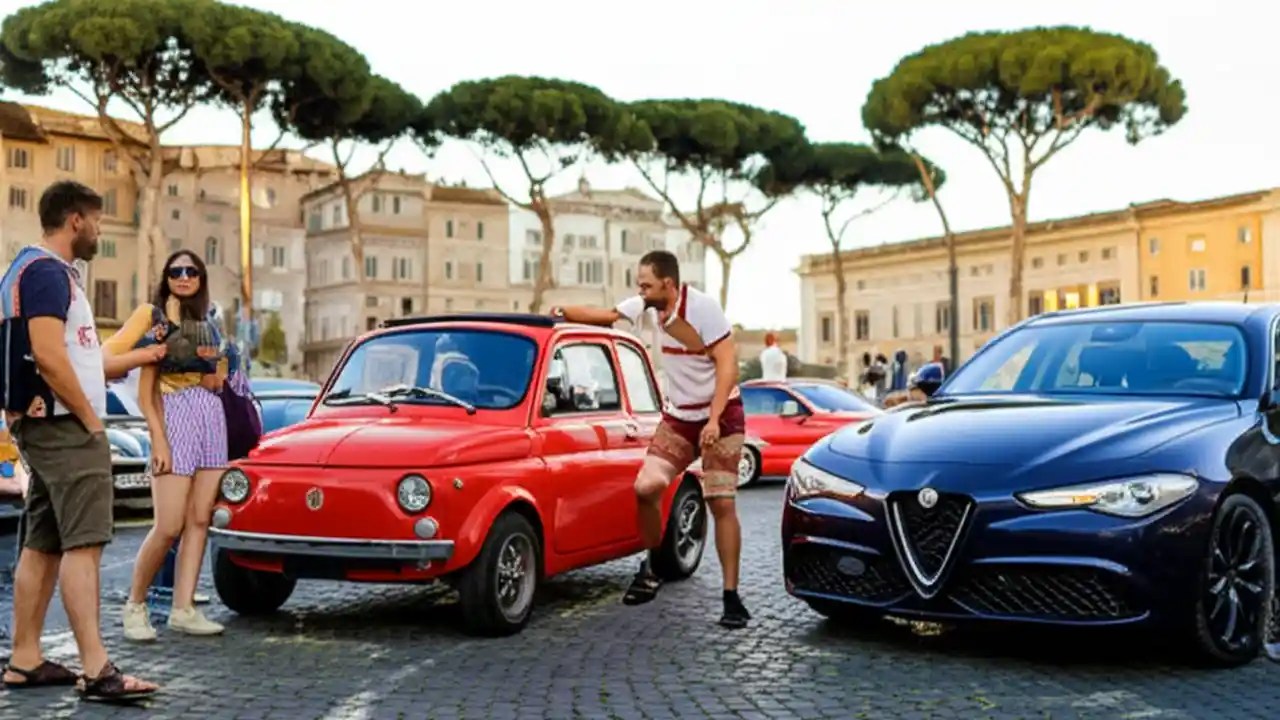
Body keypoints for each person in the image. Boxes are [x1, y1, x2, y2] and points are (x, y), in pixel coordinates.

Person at [0, 180, 158, 700]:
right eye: (96, 220)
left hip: (45, 425)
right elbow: (48, 354)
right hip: (65, 427)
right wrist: (92, 421)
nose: (99, 230)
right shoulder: (46, 274)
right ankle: (97, 670)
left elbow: (82, 358)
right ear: (74, 221)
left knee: (42, 543)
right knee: (84, 545)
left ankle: (25, 660)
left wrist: (141, 357)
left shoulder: (32, 271)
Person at [549, 250, 750, 629]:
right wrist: (562, 312)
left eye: (646, 284)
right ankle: (652, 567)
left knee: (720, 502)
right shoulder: (647, 306)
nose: (640, 291)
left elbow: (728, 365)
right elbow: (607, 317)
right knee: (646, 487)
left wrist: (713, 419)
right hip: (679, 417)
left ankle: (731, 597)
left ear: (668, 285)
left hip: (722, 416)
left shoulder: (703, 308)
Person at [119, 250, 232, 641]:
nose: (184, 277)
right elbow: (144, 394)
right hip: (173, 414)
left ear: (201, 278)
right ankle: (135, 604)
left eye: (192, 271)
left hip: (210, 416)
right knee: (168, 525)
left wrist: (216, 370)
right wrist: (158, 439)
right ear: (165, 277)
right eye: (176, 271)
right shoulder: (156, 321)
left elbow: (218, 380)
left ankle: (183, 608)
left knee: (200, 518)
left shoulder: (210, 323)